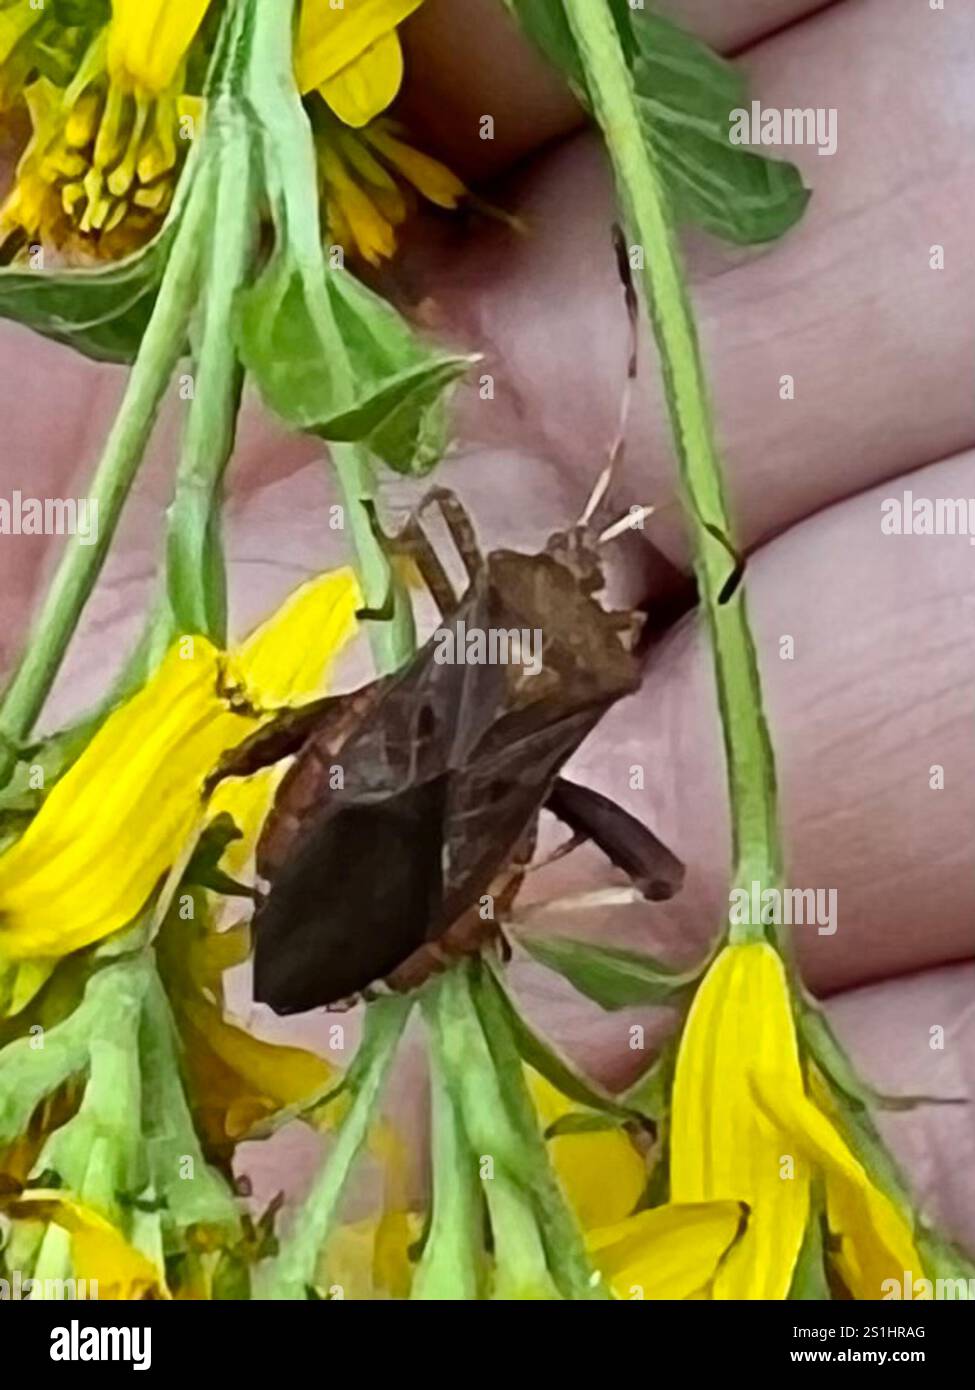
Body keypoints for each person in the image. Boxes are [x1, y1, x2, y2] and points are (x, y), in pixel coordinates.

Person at [1, 0, 972, 1252]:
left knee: (353, 737)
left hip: (397, 790)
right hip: (426, 838)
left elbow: (418, 542)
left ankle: (225, 755)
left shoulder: (480, 587)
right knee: (537, 820)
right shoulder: (554, 663)